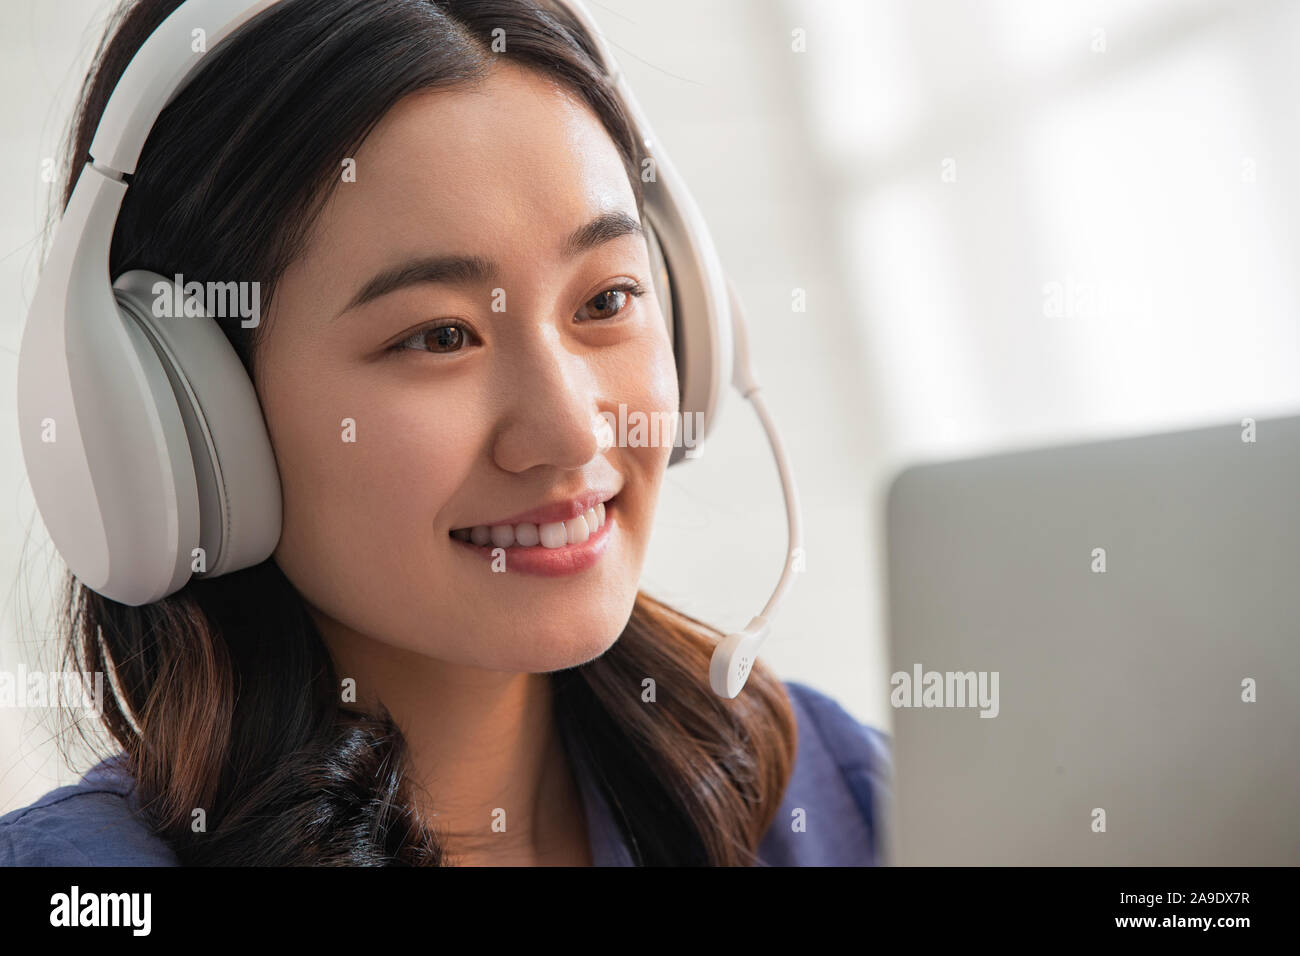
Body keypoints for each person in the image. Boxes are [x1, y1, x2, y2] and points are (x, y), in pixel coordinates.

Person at [1, 0, 890, 866]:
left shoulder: (839, 798)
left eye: (606, 299)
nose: (571, 433)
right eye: (438, 337)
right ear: (183, 408)